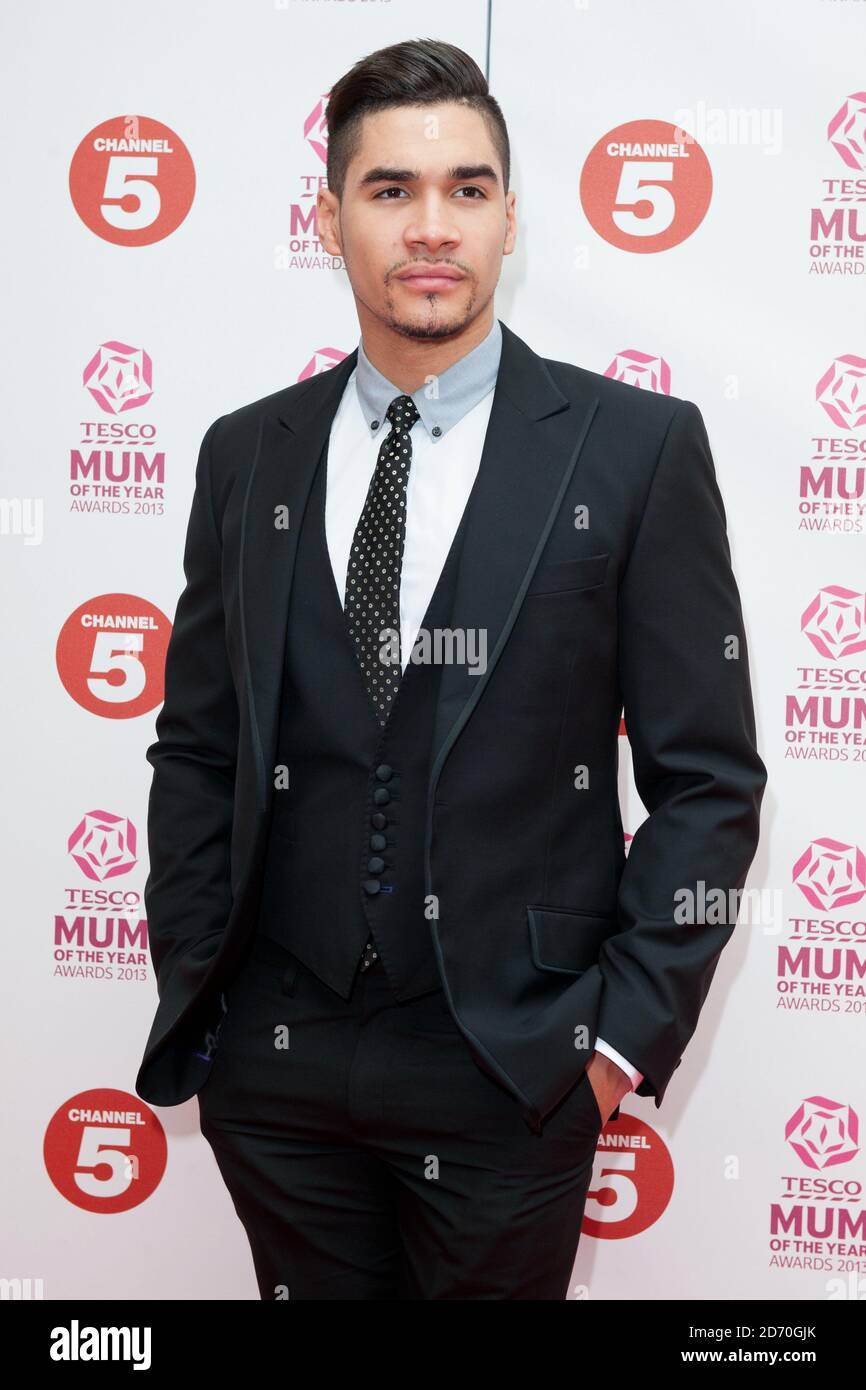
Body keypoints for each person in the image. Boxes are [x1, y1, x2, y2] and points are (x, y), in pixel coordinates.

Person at [135, 37, 767, 1300]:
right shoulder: (245, 454)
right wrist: (200, 987)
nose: (432, 228)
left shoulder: (632, 449)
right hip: (278, 1064)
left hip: (513, 1070)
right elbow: (200, 747)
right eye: (390, 191)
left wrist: (610, 1040)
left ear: (510, 216)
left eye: (466, 190)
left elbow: (705, 782)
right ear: (329, 218)